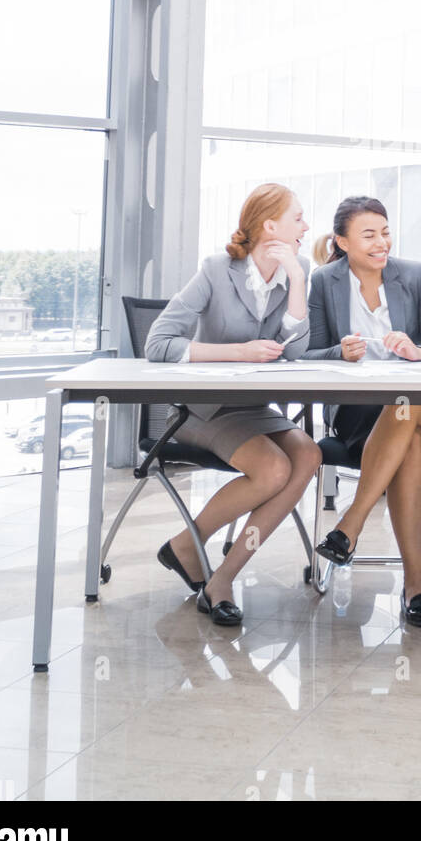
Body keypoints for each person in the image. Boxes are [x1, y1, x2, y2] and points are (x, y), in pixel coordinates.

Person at [145, 183, 322, 625]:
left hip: (253, 408)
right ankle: (199, 558)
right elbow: (158, 343)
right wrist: (236, 351)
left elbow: (297, 351)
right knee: (274, 469)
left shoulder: (296, 270)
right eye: (297, 217)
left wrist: (298, 281)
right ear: (269, 225)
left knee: (308, 455)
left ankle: (217, 568)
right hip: (203, 409)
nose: (305, 226)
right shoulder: (215, 270)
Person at [306, 196, 421, 628]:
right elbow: (311, 352)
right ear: (342, 241)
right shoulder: (324, 280)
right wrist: (339, 352)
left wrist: (417, 350)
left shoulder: (414, 275)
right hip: (359, 409)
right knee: (409, 444)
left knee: (407, 408)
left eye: (385, 231)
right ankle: (416, 582)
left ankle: (350, 523)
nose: (381, 242)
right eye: (369, 234)